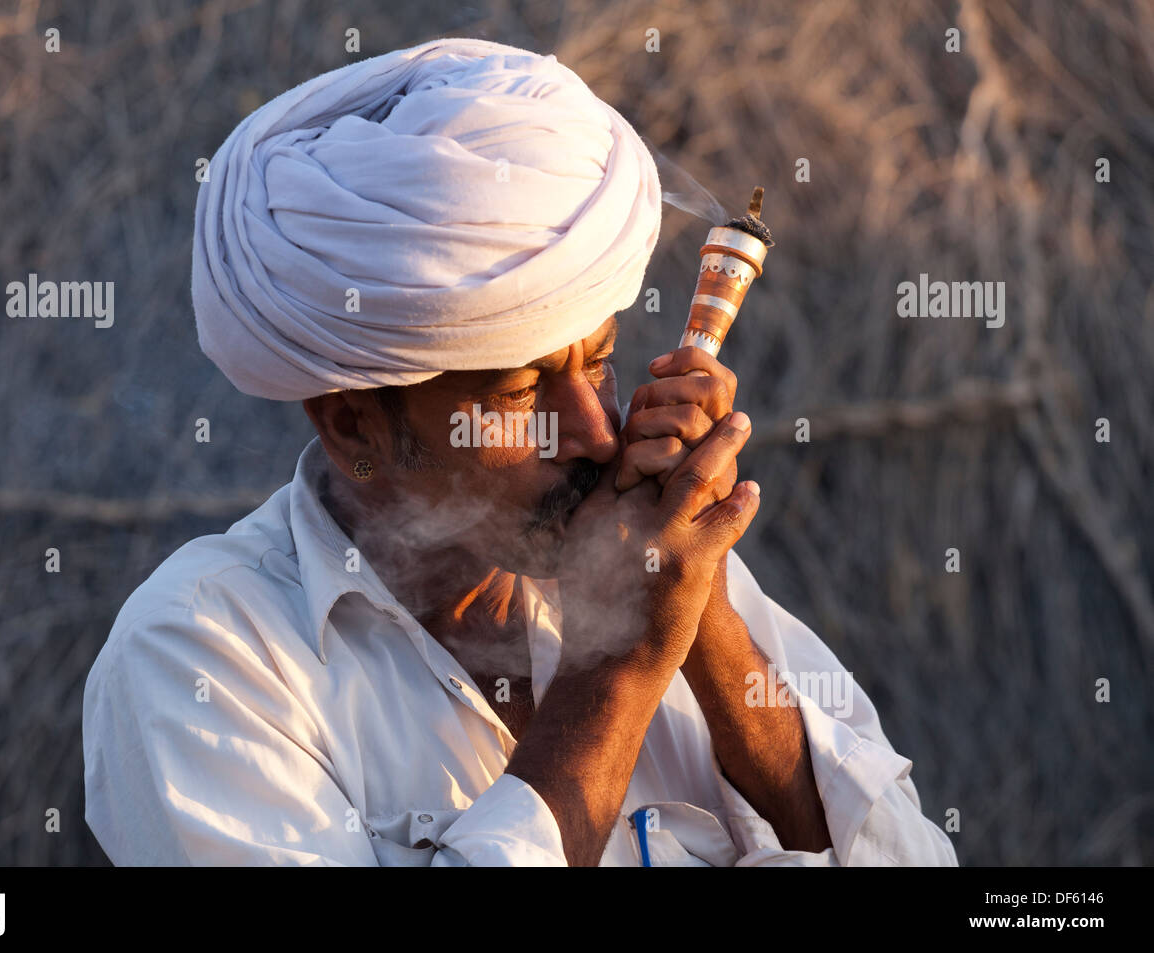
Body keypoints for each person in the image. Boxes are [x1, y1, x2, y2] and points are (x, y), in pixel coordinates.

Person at [82, 37, 957, 866]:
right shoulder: (205, 657)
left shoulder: (667, 575)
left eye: (601, 363)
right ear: (353, 426)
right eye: (518, 393)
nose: (593, 431)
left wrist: (705, 626)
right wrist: (614, 667)